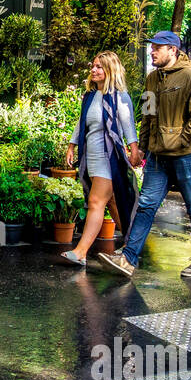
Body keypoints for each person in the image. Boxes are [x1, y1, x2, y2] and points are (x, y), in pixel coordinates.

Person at [98, 31, 191, 279]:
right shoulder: (152, 80)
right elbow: (148, 115)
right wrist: (142, 148)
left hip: (186, 155)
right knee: (147, 205)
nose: (152, 51)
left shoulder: (190, 76)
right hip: (158, 157)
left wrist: (179, 140)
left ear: (173, 50)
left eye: (158, 47)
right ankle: (128, 258)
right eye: (152, 48)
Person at [60, 51, 141, 268]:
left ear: (110, 70)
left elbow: (128, 126)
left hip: (109, 156)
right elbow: (82, 123)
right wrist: (71, 145)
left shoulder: (119, 97)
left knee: (96, 201)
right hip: (92, 155)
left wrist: (134, 150)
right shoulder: (90, 96)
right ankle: (133, 243)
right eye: (93, 66)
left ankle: (81, 252)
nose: (94, 70)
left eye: (99, 67)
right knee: (112, 200)